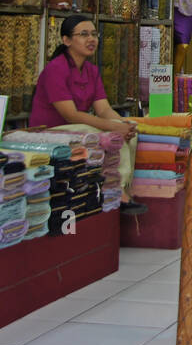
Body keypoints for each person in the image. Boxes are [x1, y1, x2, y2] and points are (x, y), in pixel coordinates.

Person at [30, 14, 145, 214]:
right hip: (52, 130)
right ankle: (117, 194)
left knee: (131, 134)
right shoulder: (55, 69)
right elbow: (71, 115)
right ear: (66, 40)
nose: (91, 39)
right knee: (110, 134)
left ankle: (124, 189)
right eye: (83, 34)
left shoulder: (91, 70)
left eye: (94, 34)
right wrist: (114, 127)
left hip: (75, 128)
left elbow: (103, 109)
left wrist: (124, 123)